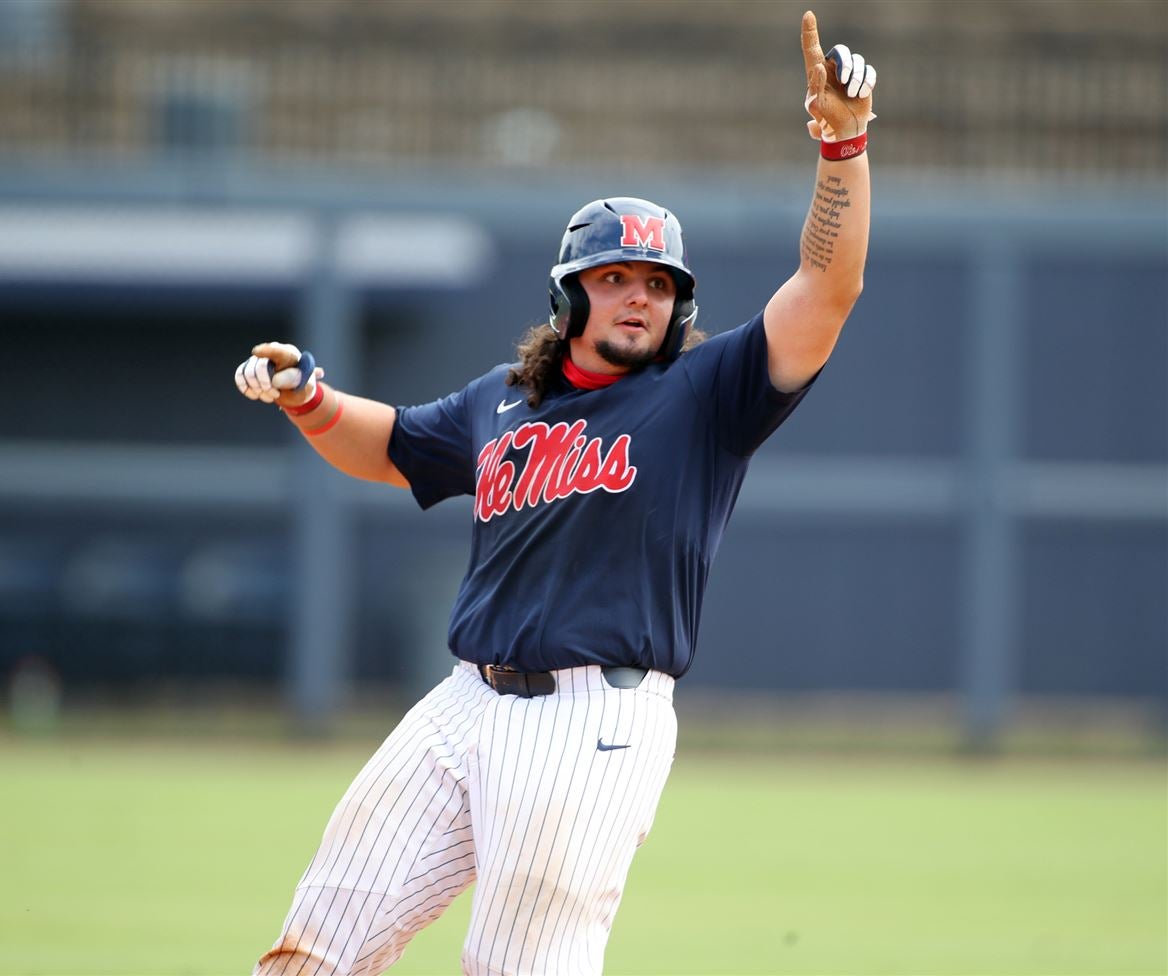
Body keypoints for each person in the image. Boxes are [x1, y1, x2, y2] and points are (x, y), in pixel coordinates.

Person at [234, 12, 875, 976]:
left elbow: (826, 290)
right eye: (613, 278)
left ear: (679, 304)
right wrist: (308, 396)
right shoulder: (503, 401)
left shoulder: (705, 396)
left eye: (657, 284)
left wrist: (842, 146)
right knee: (313, 950)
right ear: (568, 298)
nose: (637, 298)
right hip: (462, 708)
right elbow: (395, 448)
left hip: (593, 723)